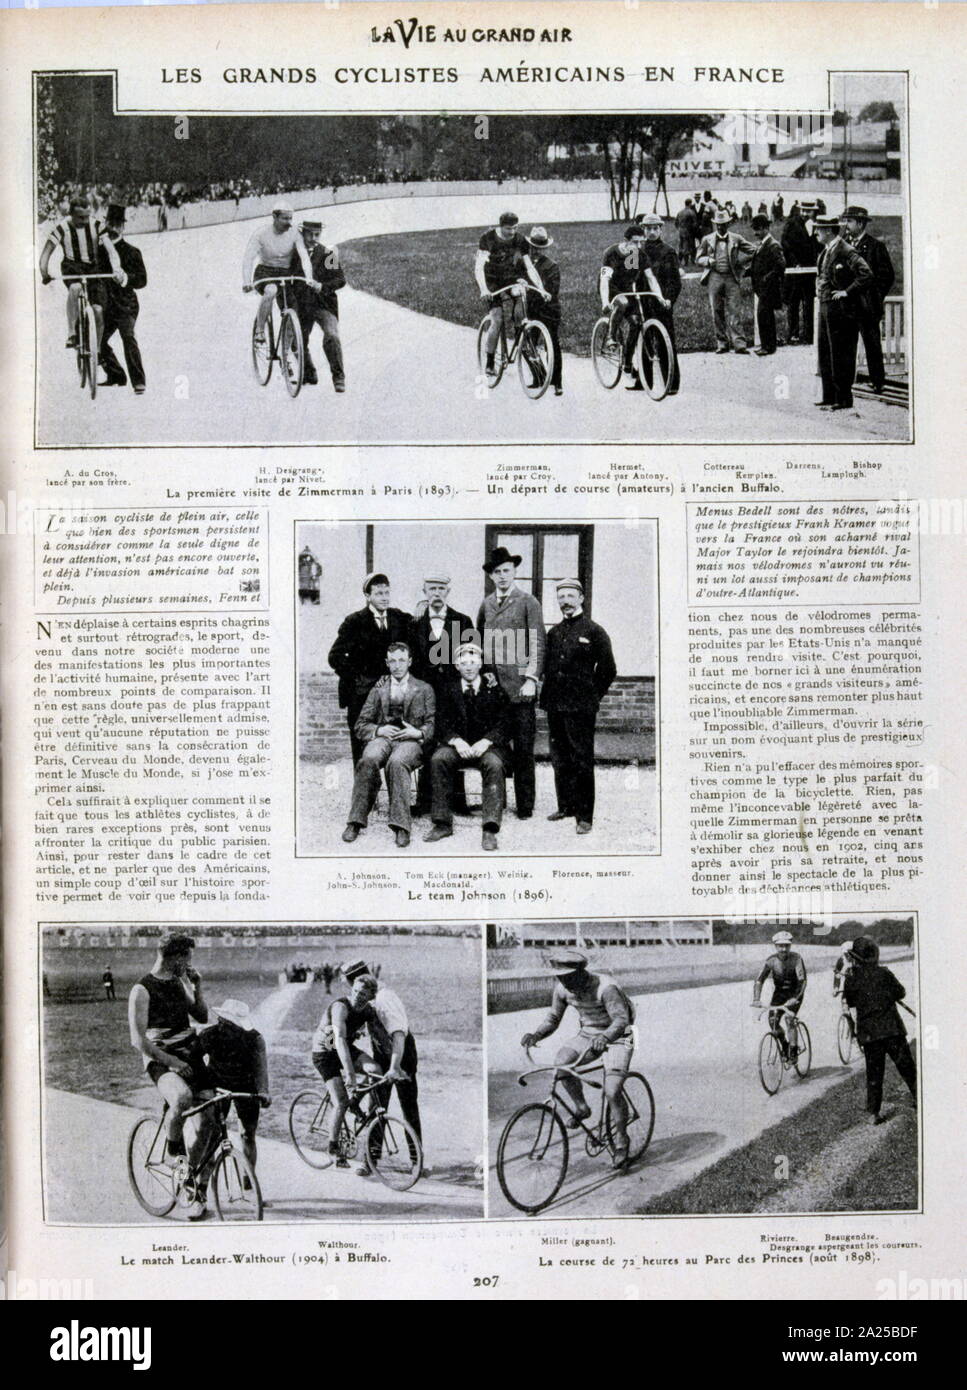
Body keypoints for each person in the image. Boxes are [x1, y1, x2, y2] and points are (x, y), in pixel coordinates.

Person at [520, 950, 636, 1170]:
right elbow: (554, 1017)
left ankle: (622, 1141)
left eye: (568, 976)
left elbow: (622, 1020)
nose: (564, 981)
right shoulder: (563, 988)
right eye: (560, 977)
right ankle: (582, 1108)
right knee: (561, 1062)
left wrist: (605, 1037)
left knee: (612, 1090)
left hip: (622, 1035)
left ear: (581, 972)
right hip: (590, 1034)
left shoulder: (605, 987)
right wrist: (536, 1035)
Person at [128, 932, 213, 1220]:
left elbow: (201, 1017)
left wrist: (197, 986)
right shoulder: (142, 989)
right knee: (183, 1097)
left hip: (188, 1054)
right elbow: (139, 1041)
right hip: (161, 1058)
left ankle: (191, 1178)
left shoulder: (178, 983)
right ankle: (172, 1152)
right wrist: (173, 1062)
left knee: (210, 1120)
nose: (190, 962)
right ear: (175, 957)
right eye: (187, 957)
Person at [341, 641, 435, 849]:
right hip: (384, 738)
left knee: (397, 762)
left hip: (410, 741)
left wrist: (417, 732)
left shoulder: (424, 688)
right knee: (369, 758)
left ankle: (401, 825)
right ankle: (355, 821)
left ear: (410, 661)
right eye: (392, 661)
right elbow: (360, 725)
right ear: (387, 663)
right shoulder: (379, 689)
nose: (397, 665)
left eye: (402, 660)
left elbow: (432, 724)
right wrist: (378, 730)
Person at [540, 580, 616, 834]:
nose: (565, 601)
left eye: (570, 596)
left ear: (581, 598)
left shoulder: (595, 631)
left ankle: (584, 816)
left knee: (581, 759)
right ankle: (566, 806)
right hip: (555, 705)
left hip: (580, 708)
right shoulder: (554, 633)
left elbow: (608, 670)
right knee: (559, 758)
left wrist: (592, 696)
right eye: (561, 597)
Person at [477, 546, 546, 819]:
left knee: (523, 748)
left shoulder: (528, 602)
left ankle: (525, 805)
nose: (502, 576)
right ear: (492, 576)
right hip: (495, 691)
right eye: (497, 572)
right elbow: (479, 640)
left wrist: (531, 678)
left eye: (506, 570)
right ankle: (497, 801)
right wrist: (485, 672)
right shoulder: (487, 604)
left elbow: (538, 642)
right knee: (494, 745)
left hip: (520, 689)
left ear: (514, 571)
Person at [424, 640, 512, 852]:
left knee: (493, 764)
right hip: (458, 746)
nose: (469, 666)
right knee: (439, 759)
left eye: (473, 662)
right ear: (456, 666)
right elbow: (441, 722)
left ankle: (490, 827)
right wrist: (455, 740)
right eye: (464, 663)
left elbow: (506, 722)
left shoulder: (495, 689)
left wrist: (487, 740)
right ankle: (442, 823)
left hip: (487, 747)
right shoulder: (447, 690)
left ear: (481, 664)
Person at [341, 960, 423, 1176]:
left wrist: (395, 1067)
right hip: (382, 1054)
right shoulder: (369, 996)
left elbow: (398, 1035)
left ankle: (417, 1161)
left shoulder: (384, 998)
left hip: (402, 1056)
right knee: (377, 1107)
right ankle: (371, 1160)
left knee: (408, 1108)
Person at [408, 570, 475, 816]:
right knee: (426, 740)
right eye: (431, 589)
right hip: (423, 692)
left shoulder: (463, 621)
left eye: (441, 589)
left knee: (454, 738)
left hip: (453, 693)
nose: (436, 593)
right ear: (424, 593)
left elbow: (472, 653)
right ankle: (425, 801)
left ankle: (458, 800)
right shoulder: (413, 622)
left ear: (448, 592)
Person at [327, 573, 411, 766]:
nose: (384, 597)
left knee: (392, 744)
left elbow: (420, 625)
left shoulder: (399, 617)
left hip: (393, 694)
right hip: (362, 695)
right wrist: (359, 679)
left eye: (387, 593)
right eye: (379, 593)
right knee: (362, 746)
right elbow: (335, 657)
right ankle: (364, 793)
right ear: (367, 596)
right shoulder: (354, 621)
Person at [309, 971, 384, 1168]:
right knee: (339, 1101)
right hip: (325, 1052)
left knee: (376, 1070)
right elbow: (339, 1040)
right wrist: (350, 1075)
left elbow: (380, 1036)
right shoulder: (341, 1007)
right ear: (352, 990)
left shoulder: (368, 1011)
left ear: (371, 996)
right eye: (356, 991)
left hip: (344, 1049)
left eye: (363, 994)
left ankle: (355, 1102)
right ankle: (333, 1147)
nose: (358, 997)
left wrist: (396, 1065)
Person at [843, 937, 917, 1124]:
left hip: (869, 1034)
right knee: (907, 1068)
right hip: (892, 1030)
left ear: (855, 958)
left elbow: (850, 1002)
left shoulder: (851, 979)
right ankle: (921, 1099)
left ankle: (873, 1114)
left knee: (874, 1074)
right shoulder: (884, 973)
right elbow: (901, 993)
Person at [39, 194, 120, 350]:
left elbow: (111, 250)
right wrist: (44, 273)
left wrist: (117, 269)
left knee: (98, 310)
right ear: (71, 215)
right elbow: (46, 253)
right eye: (80, 217)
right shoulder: (62, 228)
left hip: (92, 267)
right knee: (75, 288)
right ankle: (71, 333)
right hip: (71, 266)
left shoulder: (97, 225)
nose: (84, 221)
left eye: (87, 216)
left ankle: (96, 351)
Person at [200, 999, 271, 1175]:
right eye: (226, 1025)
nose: (230, 1031)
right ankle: (202, 1184)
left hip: (245, 1085)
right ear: (222, 1021)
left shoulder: (255, 1039)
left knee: (248, 1134)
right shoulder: (209, 1035)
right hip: (217, 1085)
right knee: (213, 1133)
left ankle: (249, 1181)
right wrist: (202, 1087)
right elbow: (194, 1060)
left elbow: (260, 1068)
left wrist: (263, 1091)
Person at [474, 211, 543, 382]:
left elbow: (529, 267)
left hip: (510, 278)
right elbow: (479, 267)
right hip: (492, 282)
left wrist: (541, 288)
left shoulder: (520, 240)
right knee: (496, 319)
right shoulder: (488, 238)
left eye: (514, 228)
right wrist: (483, 289)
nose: (511, 232)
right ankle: (490, 361)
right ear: (500, 226)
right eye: (507, 229)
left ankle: (521, 332)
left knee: (521, 300)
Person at [814, 214, 873, 411]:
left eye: (819, 229)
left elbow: (866, 273)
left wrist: (846, 292)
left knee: (840, 353)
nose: (816, 233)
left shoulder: (845, 250)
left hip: (840, 310)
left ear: (829, 231)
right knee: (825, 353)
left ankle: (843, 398)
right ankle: (829, 396)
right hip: (825, 307)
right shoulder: (826, 251)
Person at [242, 200, 319, 346]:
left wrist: (309, 277)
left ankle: (286, 353)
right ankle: (259, 330)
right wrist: (246, 281)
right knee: (271, 290)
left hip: (285, 273)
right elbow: (248, 258)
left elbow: (304, 256)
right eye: (285, 218)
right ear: (274, 217)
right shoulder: (261, 234)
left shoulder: (294, 233)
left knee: (292, 311)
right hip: (265, 272)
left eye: (290, 218)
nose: (289, 222)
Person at [840, 206, 895, 393]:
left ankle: (878, 382)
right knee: (847, 344)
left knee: (872, 344)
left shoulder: (875, 247)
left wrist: (875, 296)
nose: (845, 225)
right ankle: (848, 381)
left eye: (849, 221)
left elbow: (887, 276)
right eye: (845, 220)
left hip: (867, 306)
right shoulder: (844, 244)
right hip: (848, 305)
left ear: (861, 223)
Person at [96, 204, 148, 393]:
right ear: (106, 223)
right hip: (107, 306)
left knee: (128, 336)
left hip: (127, 305)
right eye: (111, 223)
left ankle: (139, 382)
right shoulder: (99, 251)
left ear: (123, 227)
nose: (114, 228)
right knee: (97, 340)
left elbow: (142, 280)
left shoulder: (132, 251)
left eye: (118, 224)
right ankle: (116, 375)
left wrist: (125, 278)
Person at [295, 219, 346, 392]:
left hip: (324, 304)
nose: (313, 238)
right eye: (310, 234)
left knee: (332, 335)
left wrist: (323, 286)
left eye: (317, 234)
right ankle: (309, 372)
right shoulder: (294, 254)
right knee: (297, 339)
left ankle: (338, 377)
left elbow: (340, 279)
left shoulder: (327, 253)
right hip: (303, 306)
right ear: (302, 233)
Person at [696, 208, 755, 353]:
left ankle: (739, 344)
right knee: (716, 310)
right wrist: (708, 260)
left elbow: (753, 250)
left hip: (731, 277)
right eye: (718, 224)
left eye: (723, 224)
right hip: (714, 277)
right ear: (715, 224)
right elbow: (697, 258)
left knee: (734, 310)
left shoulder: (736, 238)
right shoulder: (707, 239)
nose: (721, 227)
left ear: (728, 224)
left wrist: (740, 262)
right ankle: (722, 343)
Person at [639, 212, 683, 393]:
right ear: (643, 230)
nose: (651, 232)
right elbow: (629, 276)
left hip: (662, 304)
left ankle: (671, 384)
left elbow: (675, 282)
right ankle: (644, 381)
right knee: (643, 342)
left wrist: (669, 300)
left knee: (666, 343)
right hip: (643, 302)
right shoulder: (636, 252)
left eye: (655, 228)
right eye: (648, 228)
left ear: (660, 230)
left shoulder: (669, 252)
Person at [600, 224, 648, 383]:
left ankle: (627, 362)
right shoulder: (611, 253)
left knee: (636, 322)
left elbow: (639, 277)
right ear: (626, 241)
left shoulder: (635, 254)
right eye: (635, 242)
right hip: (612, 288)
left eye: (641, 242)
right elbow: (605, 279)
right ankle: (610, 337)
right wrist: (605, 301)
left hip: (626, 289)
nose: (639, 246)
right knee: (622, 302)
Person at [752, 930, 807, 1059]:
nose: (783, 949)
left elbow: (802, 981)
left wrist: (795, 998)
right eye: (780, 946)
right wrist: (756, 999)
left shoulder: (797, 959)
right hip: (779, 994)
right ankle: (785, 1045)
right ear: (775, 946)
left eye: (786, 946)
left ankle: (793, 1050)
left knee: (789, 1019)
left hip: (795, 993)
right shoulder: (771, 961)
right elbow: (759, 980)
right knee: (773, 1023)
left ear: (790, 946)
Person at [523, 226, 563, 395]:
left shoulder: (551, 266)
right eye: (533, 247)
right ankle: (539, 376)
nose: (535, 251)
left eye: (539, 248)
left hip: (548, 310)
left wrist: (530, 289)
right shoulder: (523, 264)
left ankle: (557, 381)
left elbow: (552, 290)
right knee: (526, 345)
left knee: (551, 345)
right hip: (529, 310)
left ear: (545, 248)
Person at [746, 213, 786, 356]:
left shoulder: (773, 245)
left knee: (765, 316)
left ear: (765, 229)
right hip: (762, 289)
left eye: (757, 230)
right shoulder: (763, 244)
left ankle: (768, 346)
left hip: (769, 289)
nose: (755, 233)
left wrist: (766, 278)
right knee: (764, 316)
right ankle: (767, 345)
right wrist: (748, 272)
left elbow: (781, 266)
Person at [780, 203, 820, 344]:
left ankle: (809, 335)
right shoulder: (791, 224)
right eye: (803, 210)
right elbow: (785, 244)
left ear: (813, 212)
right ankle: (793, 334)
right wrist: (794, 262)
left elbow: (818, 246)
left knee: (809, 303)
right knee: (793, 302)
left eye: (808, 211)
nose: (805, 214)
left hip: (810, 272)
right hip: (795, 271)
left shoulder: (816, 225)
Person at [674, 198, 699, 267]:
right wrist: (695, 232)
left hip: (681, 232)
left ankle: (681, 261)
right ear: (690, 204)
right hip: (689, 232)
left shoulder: (680, 212)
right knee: (690, 247)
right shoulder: (691, 212)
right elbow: (695, 224)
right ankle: (690, 261)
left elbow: (676, 223)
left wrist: (679, 229)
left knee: (682, 246)